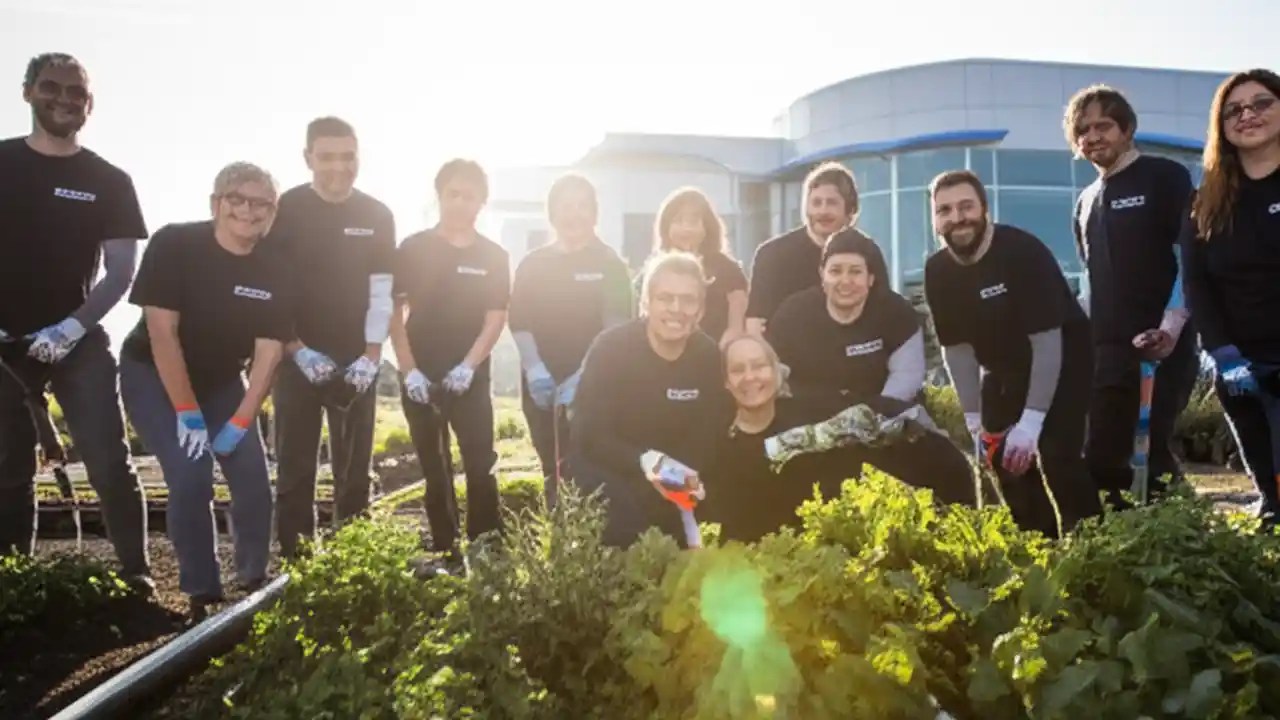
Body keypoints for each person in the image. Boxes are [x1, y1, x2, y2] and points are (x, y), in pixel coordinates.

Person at [0, 52, 150, 587]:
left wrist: (69, 330)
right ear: (28, 93)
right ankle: (14, 582)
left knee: (108, 459)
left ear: (89, 105)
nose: (64, 99)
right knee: (10, 469)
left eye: (76, 93)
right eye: (51, 87)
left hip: (77, 342)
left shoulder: (108, 180)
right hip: (5, 346)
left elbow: (121, 272)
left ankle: (135, 574)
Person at [118, 162, 288, 618]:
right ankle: (201, 593)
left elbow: (269, 354)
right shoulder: (175, 243)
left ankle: (253, 579)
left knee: (252, 476)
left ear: (273, 214)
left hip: (222, 381)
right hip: (153, 374)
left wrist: (241, 419)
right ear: (216, 203)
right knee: (191, 473)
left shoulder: (275, 267)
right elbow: (161, 334)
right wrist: (187, 413)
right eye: (238, 199)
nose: (249, 211)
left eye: (262, 204)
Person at [924, 170, 1101, 536]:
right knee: (1000, 456)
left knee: (1057, 454)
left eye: (966, 206)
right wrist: (973, 420)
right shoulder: (937, 271)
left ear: (985, 209)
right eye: (944, 210)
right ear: (935, 220)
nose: (957, 218)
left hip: (1064, 355)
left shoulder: (1022, 251)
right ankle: (1039, 547)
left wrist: (1032, 422)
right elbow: (956, 350)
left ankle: (1091, 544)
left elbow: (1047, 343)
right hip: (1002, 368)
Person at [764, 228, 974, 506]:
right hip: (811, 426)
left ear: (870, 278)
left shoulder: (895, 312)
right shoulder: (794, 313)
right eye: (836, 271)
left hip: (883, 419)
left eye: (855, 271)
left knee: (951, 464)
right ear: (822, 275)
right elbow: (773, 374)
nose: (845, 281)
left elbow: (907, 377)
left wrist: (865, 423)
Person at [267, 117, 396, 559]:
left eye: (348, 157)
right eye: (327, 157)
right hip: (298, 357)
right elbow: (271, 290)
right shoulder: (286, 210)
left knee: (354, 472)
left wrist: (371, 356)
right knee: (296, 468)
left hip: (356, 357)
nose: (338, 167)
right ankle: (295, 565)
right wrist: (297, 350)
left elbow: (382, 292)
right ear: (308, 159)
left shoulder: (377, 215)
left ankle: (350, 562)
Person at [1066, 84, 1198, 504]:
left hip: (1161, 347)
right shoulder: (1085, 201)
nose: (1092, 137)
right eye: (1082, 131)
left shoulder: (1165, 177)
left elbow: (1188, 258)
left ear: (1127, 129)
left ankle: (1189, 540)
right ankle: (1122, 548)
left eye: (1102, 125)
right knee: (1102, 460)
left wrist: (1170, 328)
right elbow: (1091, 281)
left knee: (1151, 454)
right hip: (1106, 354)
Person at [570, 252, 731, 548]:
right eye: (665, 298)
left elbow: (710, 429)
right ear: (646, 302)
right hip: (615, 471)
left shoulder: (707, 355)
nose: (676, 309)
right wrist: (648, 464)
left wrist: (677, 477)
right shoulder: (611, 349)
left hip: (679, 476)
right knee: (628, 525)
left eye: (688, 300)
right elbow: (589, 434)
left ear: (701, 308)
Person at [390, 159, 509, 560]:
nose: (460, 203)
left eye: (469, 196)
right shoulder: (413, 248)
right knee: (434, 466)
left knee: (480, 463)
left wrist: (469, 366)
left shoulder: (493, 255)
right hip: (422, 374)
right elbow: (395, 311)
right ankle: (446, 548)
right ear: (439, 196)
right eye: (452, 194)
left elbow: (496, 317)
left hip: (469, 376)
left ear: (482, 202)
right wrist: (408, 370)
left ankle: (485, 547)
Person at [1183, 69, 1280, 525]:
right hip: (1240, 367)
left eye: (1261, 103)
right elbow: (1197, 285)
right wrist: (1223, 355)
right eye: (1234, 110)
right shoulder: (1206, 204)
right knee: (1270, 494)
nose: (1248, 115)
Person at [509, 174, 632, 507]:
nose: (574, 214)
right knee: (552, 467)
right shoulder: (533, 264)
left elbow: (616, 327)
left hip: (593, 383)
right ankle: (558, 542)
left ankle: (594, 544)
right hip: (542, 385)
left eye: (582, 206)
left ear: (594, 213)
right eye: (565, 206)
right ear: (552, 213)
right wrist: (535, 369)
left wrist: (585, 376)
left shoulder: (611, 264)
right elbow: (519, 319)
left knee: (588, 466)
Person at [746, 161, 870, 336]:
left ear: (850, 210)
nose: (823, 211)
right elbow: (755, 325)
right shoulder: (771, 255)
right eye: (816, 203)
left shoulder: (867, 253)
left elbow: (882, 314)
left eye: (832, 203)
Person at [641, 187, 748, 345]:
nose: (686, 229)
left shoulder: (730, 272)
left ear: (707, 227)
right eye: (678, 221)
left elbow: (736, 328)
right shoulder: (650, 274)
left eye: (693, 222)